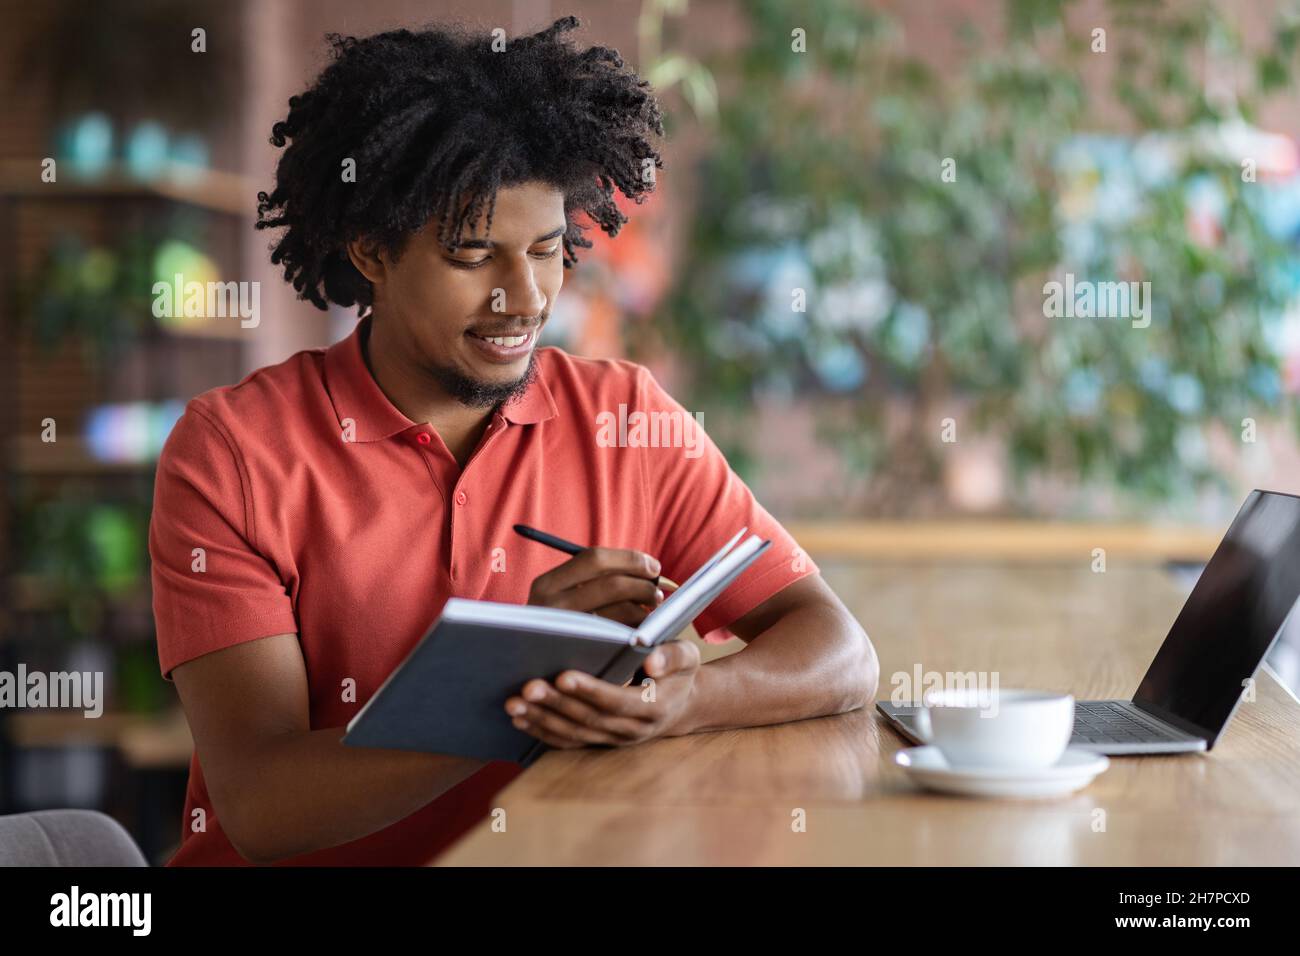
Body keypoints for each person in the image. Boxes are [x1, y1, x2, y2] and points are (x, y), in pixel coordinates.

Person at [150, 15, 879, 866]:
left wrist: (684, 698)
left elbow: (841, 652)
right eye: (473, 256)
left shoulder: (626, 416)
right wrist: (510, 681)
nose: (525, 298)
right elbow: (266, 807)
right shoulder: (232, 452)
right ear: (372, 252)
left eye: (547, 249)